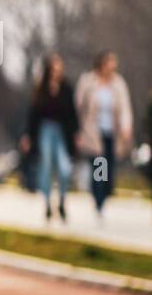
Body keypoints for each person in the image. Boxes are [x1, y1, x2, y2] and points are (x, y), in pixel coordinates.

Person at [74, 50, 134, 218]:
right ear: (102, 64)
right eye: (110, 63)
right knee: (99, 167)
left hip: (111, 133)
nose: (113, 66)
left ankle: (103, 194)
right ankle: (98, 199)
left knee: (110, 170)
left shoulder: (118, 83)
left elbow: (125, 108)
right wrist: (76, 131)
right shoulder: (88, 81)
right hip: (93, 133)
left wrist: (126, 126)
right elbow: (78, 108)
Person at [20, 53, 79, 222]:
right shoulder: (41, 88)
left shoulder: (66, 87)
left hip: (62, 131)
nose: (57, 70)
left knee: (64, 167)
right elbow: (33, 114)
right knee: (45, 166)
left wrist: (76, 133)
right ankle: (46, 202)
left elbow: (72, 113)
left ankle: (61, 200)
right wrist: (28, 136)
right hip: (45, 130)